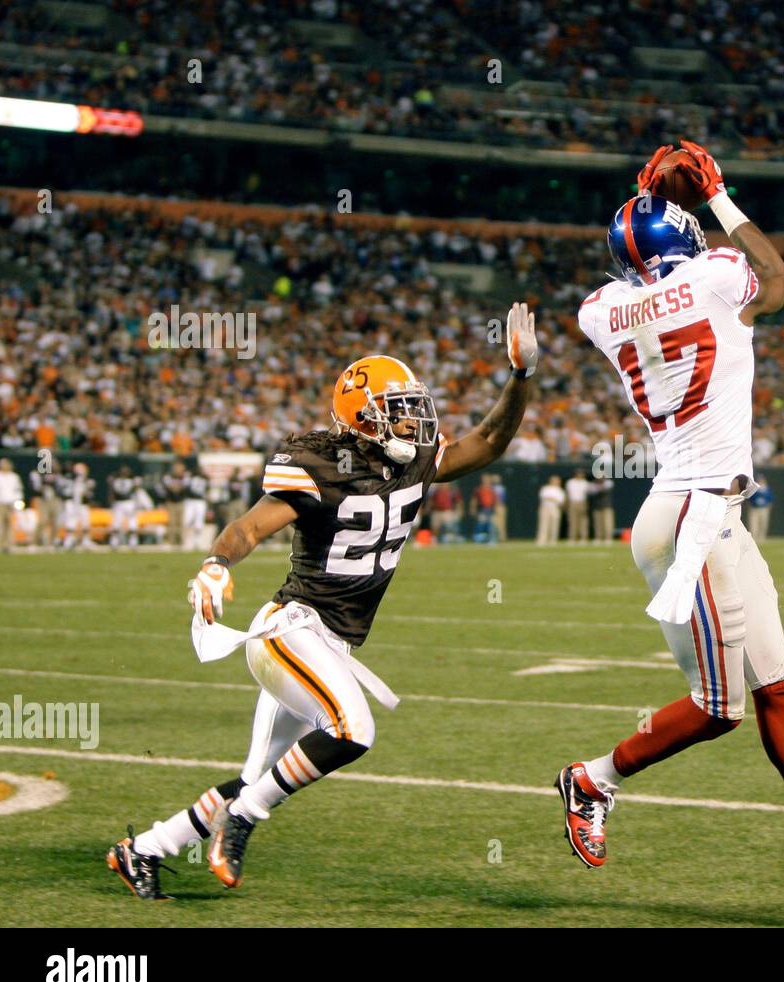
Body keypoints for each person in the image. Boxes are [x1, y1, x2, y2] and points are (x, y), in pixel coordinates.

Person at [105, 304, 540, 901]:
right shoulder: (319, 464)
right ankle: (245, 819)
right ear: (362, 417)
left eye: (416, 409)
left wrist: (519, 377)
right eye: (400, 411)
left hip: (329, 643)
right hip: (290, 629)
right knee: (350, 729)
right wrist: (215, 565)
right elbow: (250, 528)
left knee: (259, 777)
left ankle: (143, 849)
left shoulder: (414, 459)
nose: (415, 423)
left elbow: (489, 440)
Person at [557, 141, 784, 897]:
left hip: (702, 509)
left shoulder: (600, 311)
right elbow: (776, 279)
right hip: (690, 519)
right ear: (689, 236)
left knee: (780, 681)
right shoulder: (715, 278)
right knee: (719, 708)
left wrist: (649, 215)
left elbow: (636, 266)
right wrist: (718, 196)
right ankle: (592, 779)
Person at [62, 462, 96, 550]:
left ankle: (86, 541)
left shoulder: (87, 480)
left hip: (83, 504)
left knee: (86, 522)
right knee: (71, 522)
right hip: (74, 504)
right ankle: (68, 541)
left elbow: (88, 493)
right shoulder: (72, 480)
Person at [29, 459, 62, 548]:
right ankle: (35, 542)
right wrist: (43, 488)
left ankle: (52, 542)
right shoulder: (37, 473)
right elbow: (35, 486)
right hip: (43, 500)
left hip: (55, 499)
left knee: (55, 522)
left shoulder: (57, 474)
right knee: (42, 521)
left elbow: (60, 486)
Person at [158, 461, 191, 548]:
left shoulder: (185, 476)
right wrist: (176, 487)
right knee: (171, 522)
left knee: (180, 522)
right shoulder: (168, 476)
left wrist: (177, 487)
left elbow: (184, 487)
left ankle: (180, 541)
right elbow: (170, 488)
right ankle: (170, 541)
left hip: (181, 501)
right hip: (171, 502)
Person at [107, 465, 141, 548]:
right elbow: (112, 492)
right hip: (123, 502)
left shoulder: (118, 480)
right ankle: (116, 542)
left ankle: (131, 542)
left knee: (131, 522)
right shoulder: (126, 480)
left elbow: (111, 492)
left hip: (127, 502)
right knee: (117, 522)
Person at [0, 458, 22, 552]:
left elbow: (18, 489)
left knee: (10, 524)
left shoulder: (14, 477)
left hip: (11, 503)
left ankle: (9, 544)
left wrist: (17, 501)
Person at [536, 475, 565, 545]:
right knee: (544, 524)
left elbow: (560, 501)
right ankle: (542, 540)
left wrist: (551, 499)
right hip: (545, 507)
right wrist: (553, 499)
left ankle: (553, 540)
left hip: (555, 508)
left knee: (554, 524)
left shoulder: (560, 490)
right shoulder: (545, 488)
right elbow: (543, 497)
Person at [565, 469, 590, 543]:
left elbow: (587, 494)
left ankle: (583, 538)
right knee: (572, 521)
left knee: (583, 521)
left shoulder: (585, 483)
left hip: (582, 502)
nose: (580, 475)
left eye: (581, 474)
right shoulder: (570, 482)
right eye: (579, 474)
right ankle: (572, 538)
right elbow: (568, 494)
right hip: (573, 502)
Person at [745, 474, 773, 541]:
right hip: (754, 508)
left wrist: (768, 508)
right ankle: (753, 539)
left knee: (763, 524)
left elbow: (770, 500)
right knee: (753, 525)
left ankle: (761, 539)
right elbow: (749, 498)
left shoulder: (767, 489)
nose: (760, 481)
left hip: (764, 509)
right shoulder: (754, 489)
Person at [590, 476, 615, 543]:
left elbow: (604, 490)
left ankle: (608, 538)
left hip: (607, 506)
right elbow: (592, 491)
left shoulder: (608, 483)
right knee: (598, 524)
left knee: (607, 523)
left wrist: (599, 488)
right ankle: (598, 538)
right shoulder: (593, 484)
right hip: (597, 507)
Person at [491, 473, 508, 542]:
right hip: (493, 506)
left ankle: (502, 538)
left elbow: (503, 498)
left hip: (500, 506)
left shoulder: (501, 488)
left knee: (502, 523)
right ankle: (494, 537)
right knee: (494, 522)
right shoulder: (491, 488)